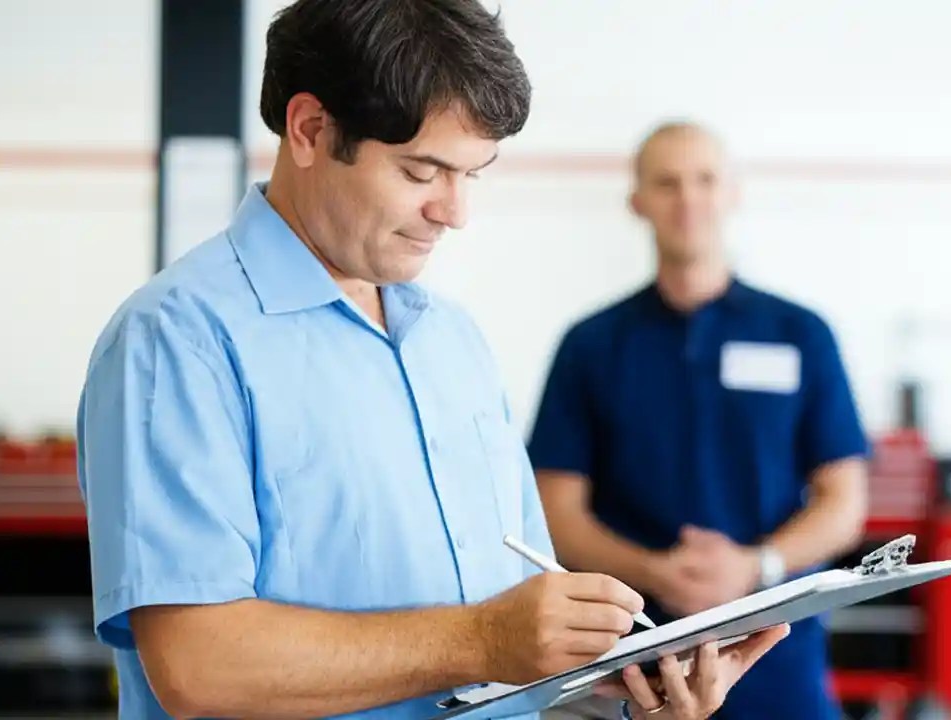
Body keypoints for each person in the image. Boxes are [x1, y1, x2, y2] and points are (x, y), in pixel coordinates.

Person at [76, 3, 786, 719]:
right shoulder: (178, 342)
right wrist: (479, 639)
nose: (455, 211)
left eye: (473, 174)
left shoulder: (452, 342)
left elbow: (516, 651)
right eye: (423, 171)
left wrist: (628, 690)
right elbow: (200, 665)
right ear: (311, 130)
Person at [528, 122, 870, 720]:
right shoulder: (592, 346)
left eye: (704, 180)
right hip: (632, 657)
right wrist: (655, 571)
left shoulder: (800, 335)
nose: (687, 198)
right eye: (667, 182)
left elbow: (844, 501)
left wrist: (753, 566)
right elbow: (556, 508)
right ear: (637, 202)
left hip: (776, 651)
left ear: (733, 191)